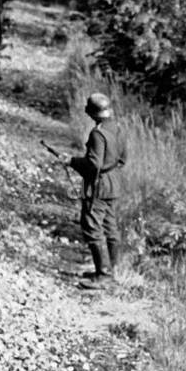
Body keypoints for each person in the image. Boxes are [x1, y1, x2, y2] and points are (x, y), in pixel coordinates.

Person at [68, 93, 127, 288]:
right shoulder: (118, 128)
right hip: (114, 183)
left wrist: (72, 161)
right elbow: (123, 159)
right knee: (110, 227)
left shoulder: (97, 133)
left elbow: (94, 164)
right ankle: (111, 270)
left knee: (92, 226)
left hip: (99, 185)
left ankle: (104, 275)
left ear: (92, 112)